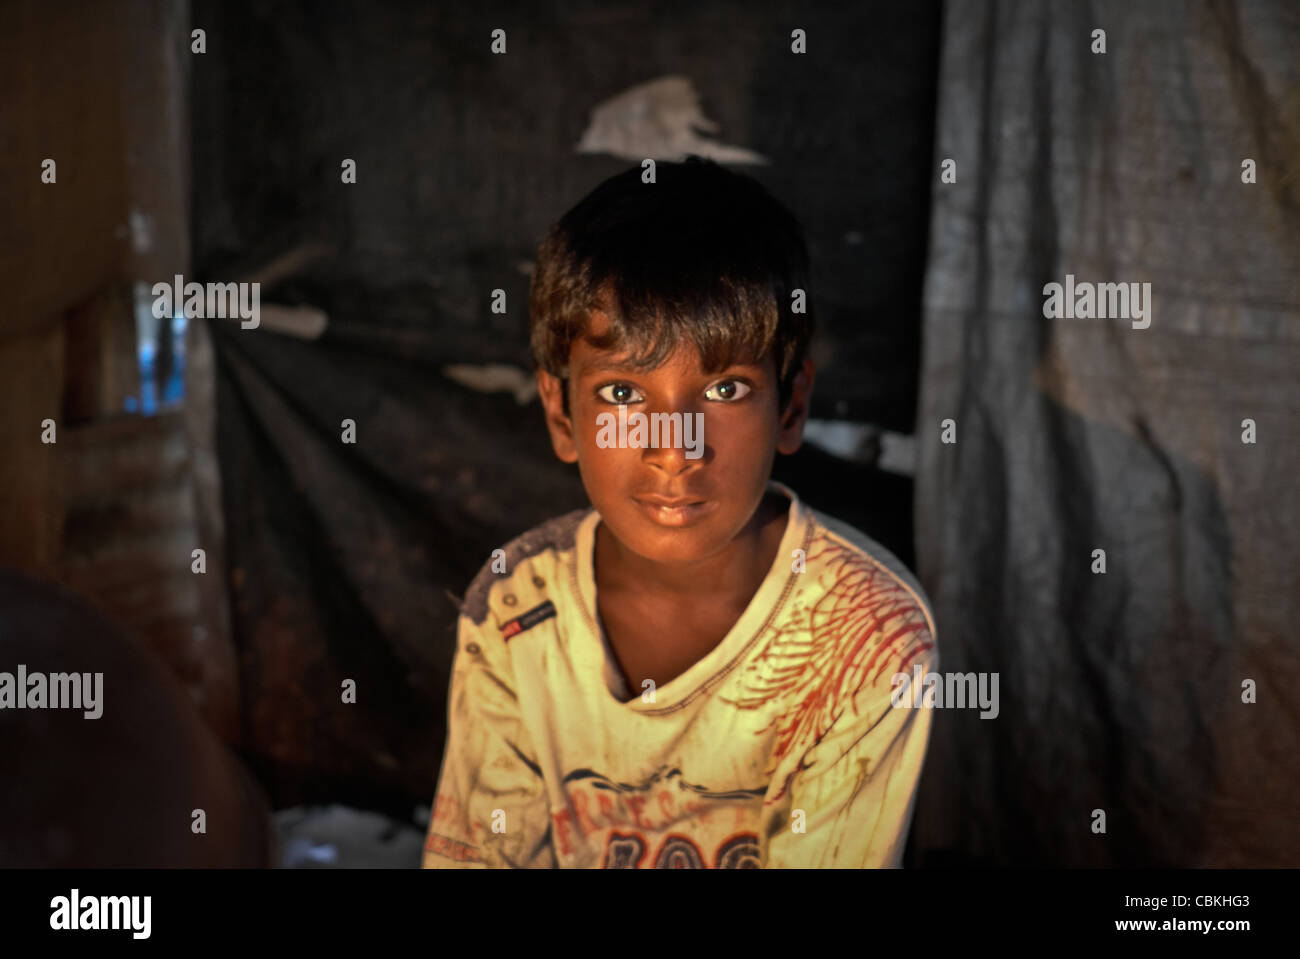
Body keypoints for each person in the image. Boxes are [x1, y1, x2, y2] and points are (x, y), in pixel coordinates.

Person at [422, 157, 938, 868]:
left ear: (790, 406)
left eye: (725, 389)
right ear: (560, 412)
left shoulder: (864, 635)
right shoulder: (517, 607)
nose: (675, 449)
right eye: (624, 396)